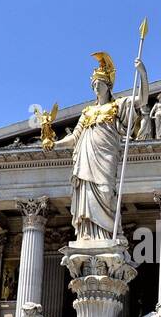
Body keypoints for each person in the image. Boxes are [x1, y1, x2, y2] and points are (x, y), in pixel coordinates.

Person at [48, 51, 149, 242]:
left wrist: (143, 74)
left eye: (99, 84)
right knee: (86, 195)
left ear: (108, 86)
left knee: (106, 192)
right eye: (94, 84)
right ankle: (88, 234)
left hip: (106, 157)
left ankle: (108, 235)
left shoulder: (117, 105)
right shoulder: (87, 112)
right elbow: (74, 138)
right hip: (86, 158)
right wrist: (55, 144)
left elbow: (142, 100)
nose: (96, 87)